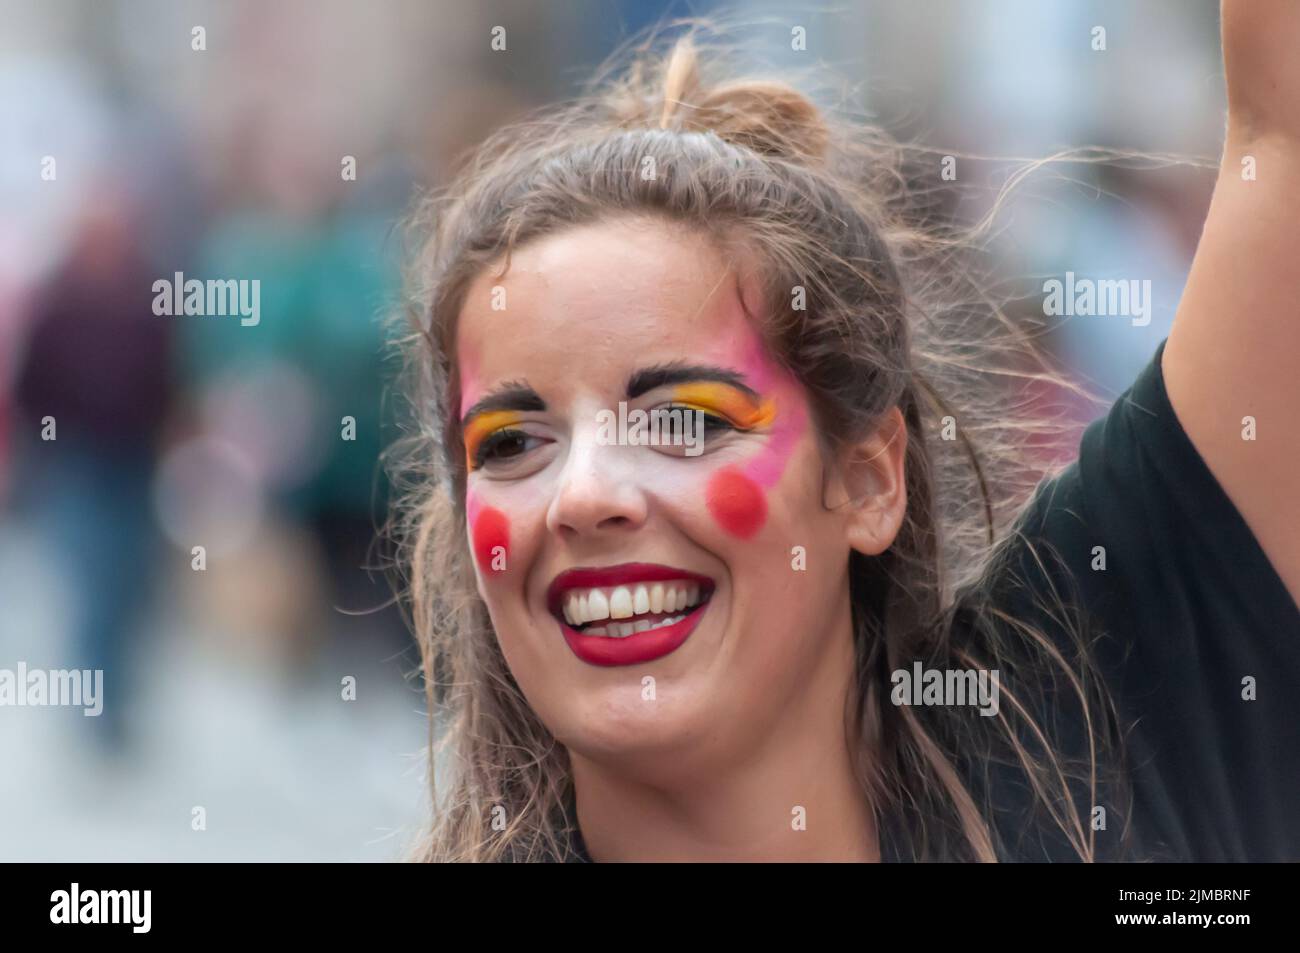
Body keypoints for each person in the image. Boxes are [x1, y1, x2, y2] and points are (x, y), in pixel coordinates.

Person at [386, 5, 1299, 861]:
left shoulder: (1092, 728)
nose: (582, 495)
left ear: (868, 480)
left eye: (685, 420)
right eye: (511, 442)